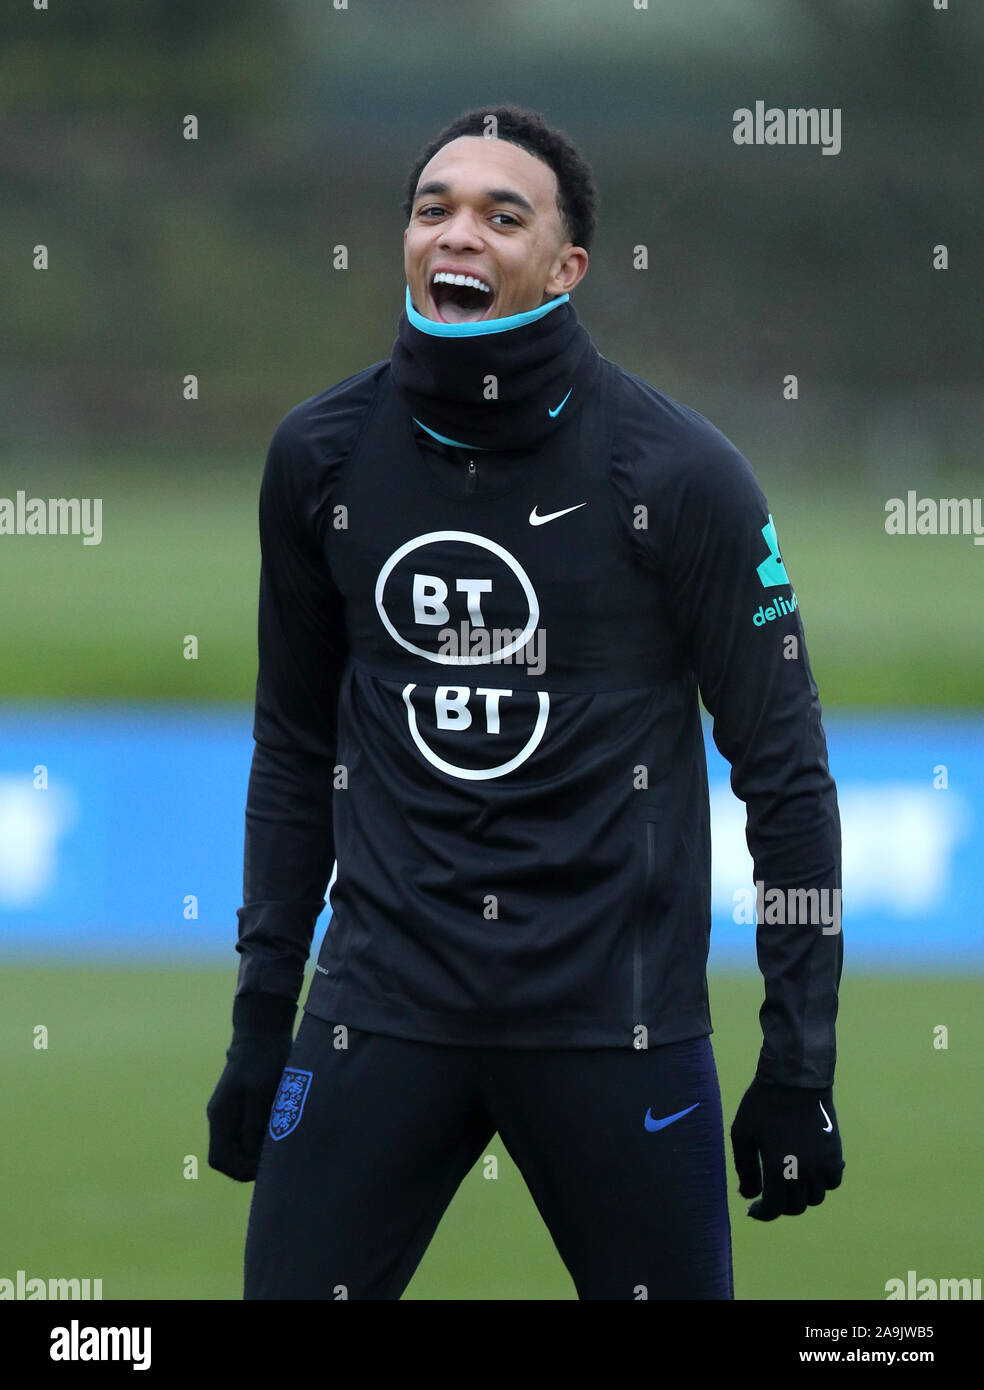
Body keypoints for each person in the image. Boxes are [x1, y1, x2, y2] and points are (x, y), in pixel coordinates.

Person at [206, 103, 845, 1300]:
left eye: (505, 215)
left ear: (566, 266)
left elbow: (786, 774)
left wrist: (798, 1059)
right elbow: (293, 751)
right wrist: (260, 1018)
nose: (460, 233)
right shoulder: (319, 457)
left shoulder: (682, 475)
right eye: (434, 207)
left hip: (619, 1031)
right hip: (378, 1017)